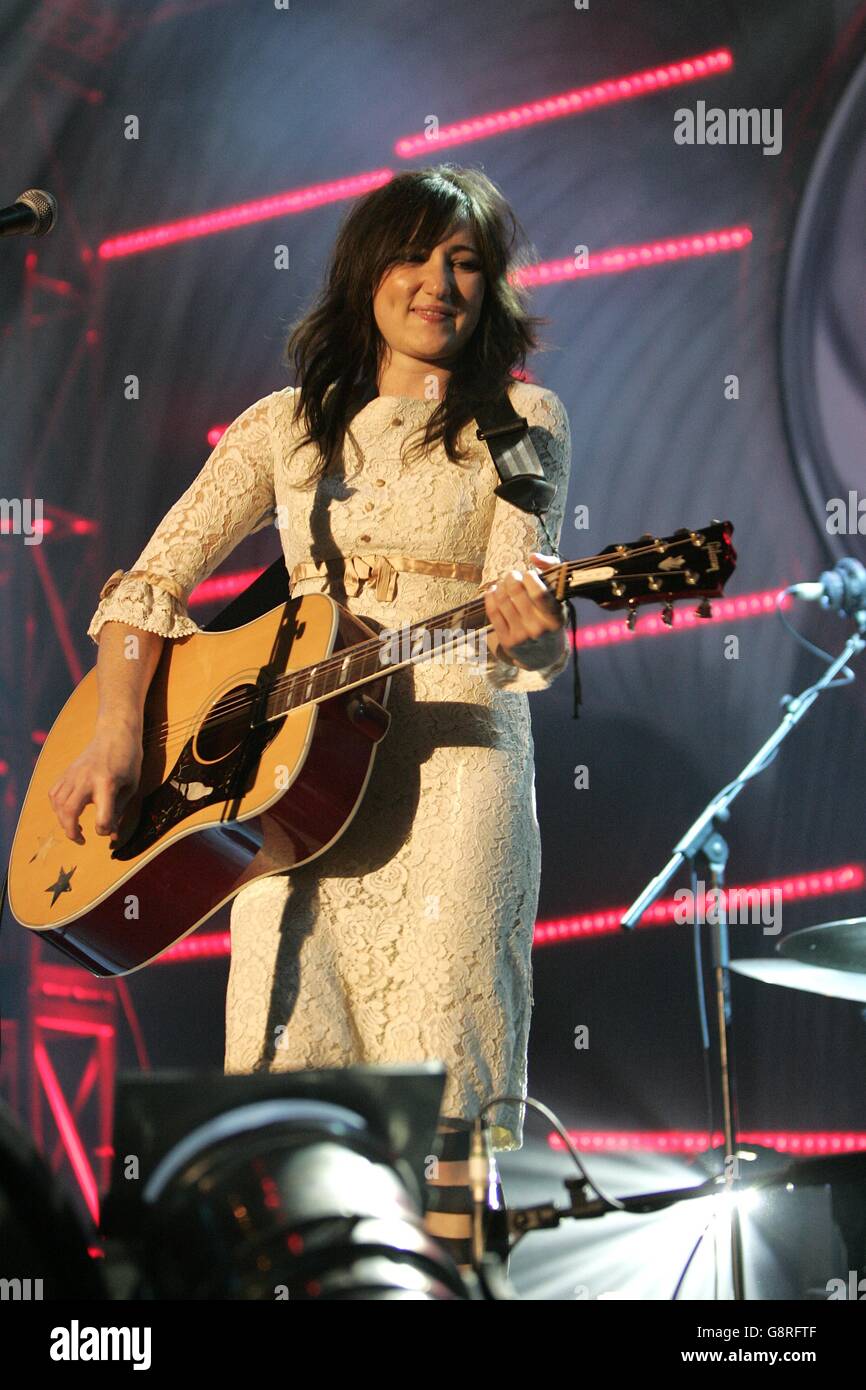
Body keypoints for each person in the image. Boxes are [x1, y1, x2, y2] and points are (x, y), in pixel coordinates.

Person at [47, 164, 572, 1276]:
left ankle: (450, 1288)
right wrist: (119, 737)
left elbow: (514, 593)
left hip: (453, 771)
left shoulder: (519, 419)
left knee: (446, 1101)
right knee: (293, 1077)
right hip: (284, 787)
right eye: (417, 254)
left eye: (466, 263)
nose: (439, 282)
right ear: (366, 269)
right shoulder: (283, 428)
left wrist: (533, 632)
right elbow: (152, 583)